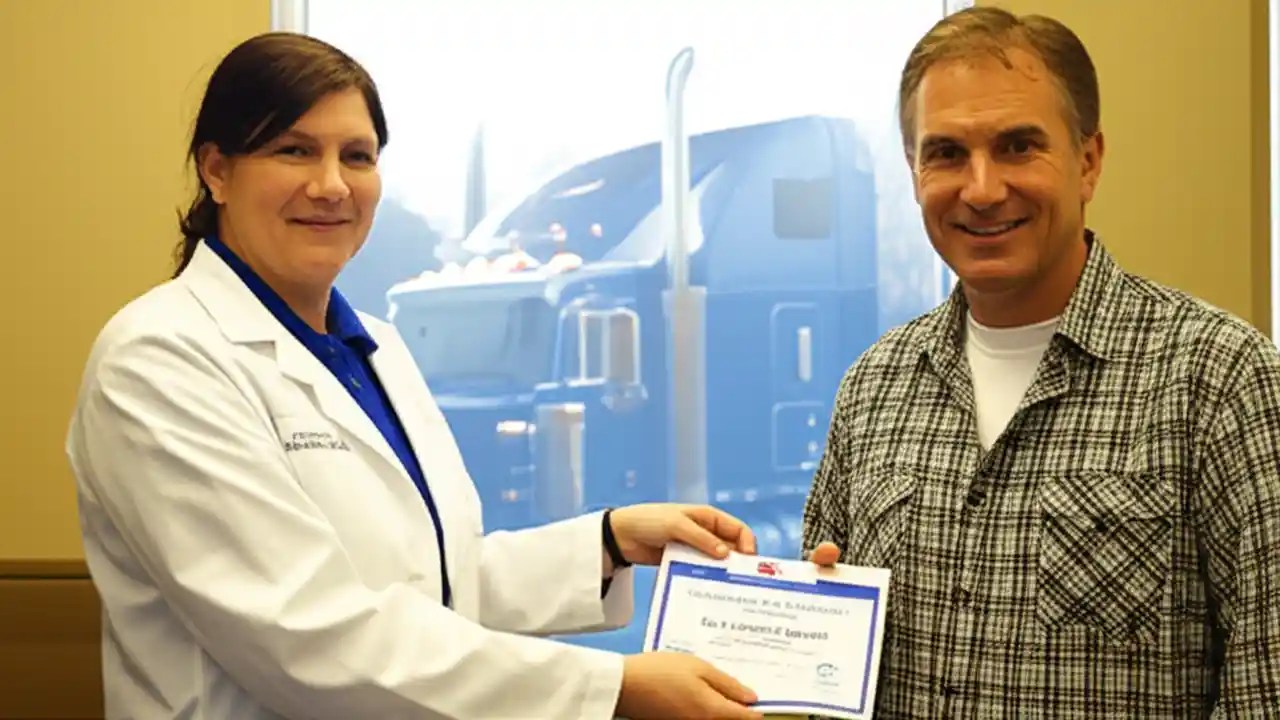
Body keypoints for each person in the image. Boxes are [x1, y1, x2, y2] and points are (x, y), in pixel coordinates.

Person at [65, 32, 765, 720]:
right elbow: (309, 637)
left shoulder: (377, 348)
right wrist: (610, 689)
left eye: (357, 156)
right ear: (217, 170)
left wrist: (607, 541)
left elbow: (434, 583)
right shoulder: (160, 359)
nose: (332, 185)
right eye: (294, 150)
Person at [803, 7, 1279, 718]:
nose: (983, 189)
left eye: (1019, 146)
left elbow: (1265, 685)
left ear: (1088, 161)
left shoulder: (1221, 379)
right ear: (913, 172)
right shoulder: (874, 387)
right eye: (947, 154)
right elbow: (823, 661)